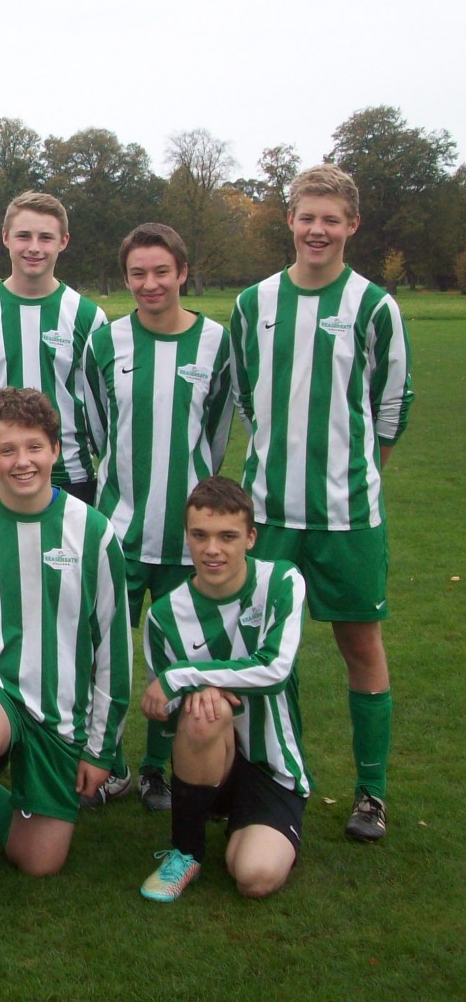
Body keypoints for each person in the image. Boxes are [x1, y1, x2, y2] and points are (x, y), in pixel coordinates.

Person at [230, 163, 412, 842]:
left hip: (347, 515)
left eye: (331, 218)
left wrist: (354, 472)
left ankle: (372, 792)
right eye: (307, 216)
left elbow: (391, 407)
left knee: (359, 641)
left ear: (352, 225)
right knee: (265, 648)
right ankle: (272, 774)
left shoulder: (373, 306)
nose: (317, 228)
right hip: (270, 514)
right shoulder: (255, 304)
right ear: (290, 220)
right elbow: (248, 394)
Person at [0, 387, 132, 918]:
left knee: (38, 862)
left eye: (35, 447)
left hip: (61, 709)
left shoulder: (93, 531)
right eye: (8, 450)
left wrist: (99, 749)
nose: (23, 461)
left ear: (57, 450)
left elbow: (113, 643)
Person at [82, 223, 236, 811]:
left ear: (182, 273)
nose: (150, 283)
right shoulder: (107, 342)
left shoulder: (215, 343)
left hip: (189, 536)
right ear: (126, 278)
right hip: (119, 529)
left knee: (181, 657)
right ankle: (111, 761)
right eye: (138, 273)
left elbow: (218, 433)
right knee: (107, 651)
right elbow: (99, 427)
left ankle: (155, 769)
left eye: (161, 272)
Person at [138, 476, 310, 902]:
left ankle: (255, 830)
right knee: (204, 709)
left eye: (228, 536)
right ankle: (186, 852)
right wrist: (194, 692)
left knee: (254, 878)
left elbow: (275, 669)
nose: (213, 549)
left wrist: (185, 675)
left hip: (272, 766)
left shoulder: (281, 583)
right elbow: (168, 712)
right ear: (188, 537)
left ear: (250, 537)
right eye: (200, 535)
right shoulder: (165, 616)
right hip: (212, 761)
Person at [0, 191, 106, 503]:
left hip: (70, 476)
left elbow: (100, 408)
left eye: (46, 237)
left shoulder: (87, 317)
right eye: (23, 236)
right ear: (6, 238)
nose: (34, 247)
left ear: (63, 241)